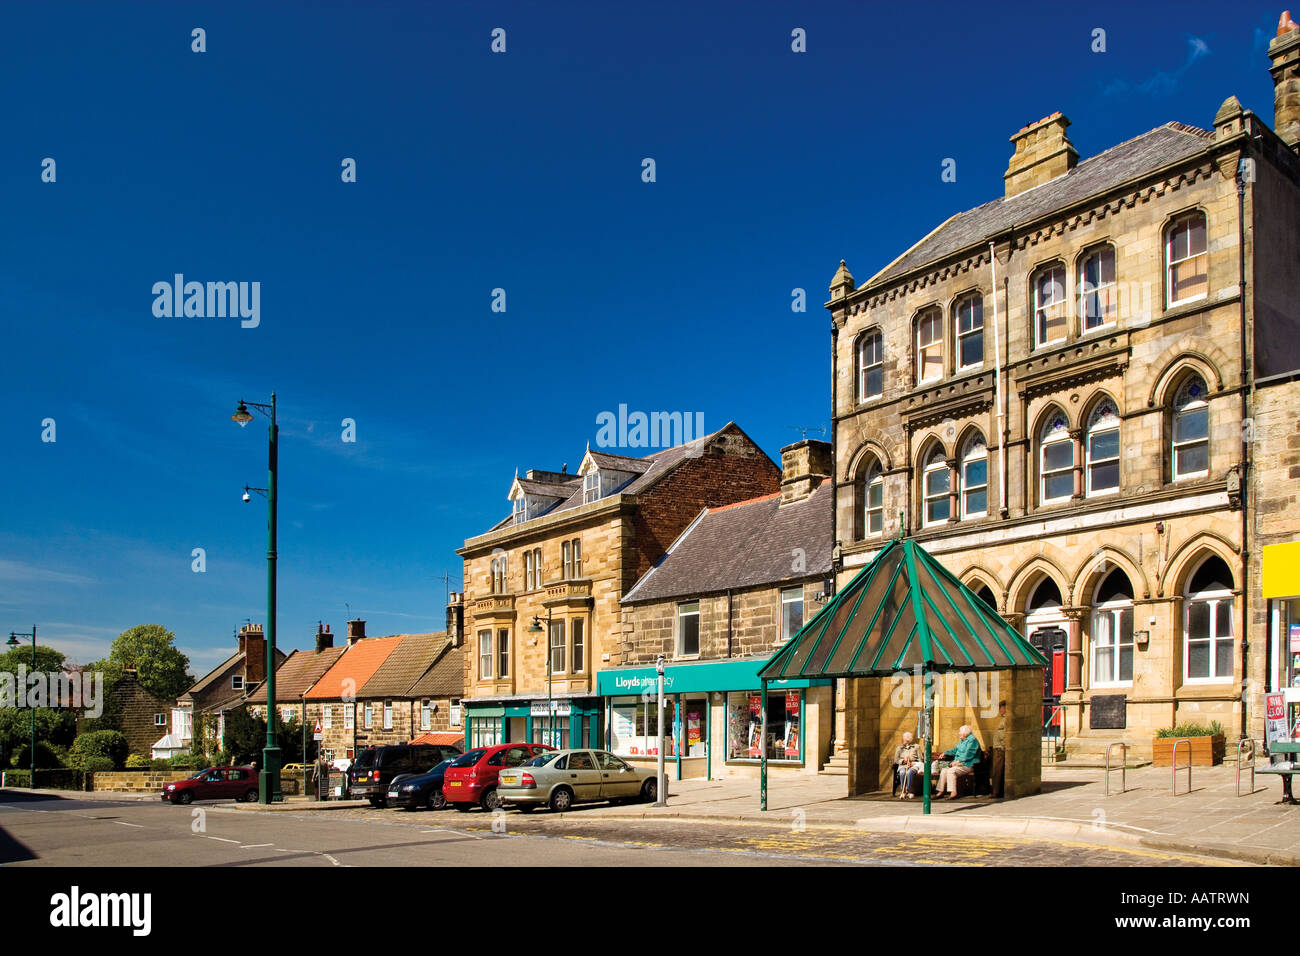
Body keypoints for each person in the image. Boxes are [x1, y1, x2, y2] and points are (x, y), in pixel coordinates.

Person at [934, 725, 981, 798]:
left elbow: (968, 754)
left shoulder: (972, 740)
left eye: (960, 732)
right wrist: (945, 752)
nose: (959, 733)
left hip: (968, 764)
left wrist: (958, 761)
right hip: (959, 763)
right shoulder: (962, 740)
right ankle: (941, 791)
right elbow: (955, 750)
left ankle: (953, 792)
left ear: (965, 733)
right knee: (944, 770)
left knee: (951, 771)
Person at [893, 732, 922, 799]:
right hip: (903, 765)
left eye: (908, 740)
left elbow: (920, 759)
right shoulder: (899, 748)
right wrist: (903, 761)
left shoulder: (916, 747)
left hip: (914, 765)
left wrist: (913, 763)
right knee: (902, 772)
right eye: (905, 740)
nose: (906, 742)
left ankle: (910, 791)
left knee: (909, 772)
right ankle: (904, 791)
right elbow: (896, 760)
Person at [990, 701, 1007, 799]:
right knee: (996, 770)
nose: (999, 710)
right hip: (998, 747)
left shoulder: (1006, 720)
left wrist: (1003, 746)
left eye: (1001, 708)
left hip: (1001, 748)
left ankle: (996, 792)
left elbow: (1005, 734)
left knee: (998, 770)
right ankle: (996, 791)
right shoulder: (1002, 719)